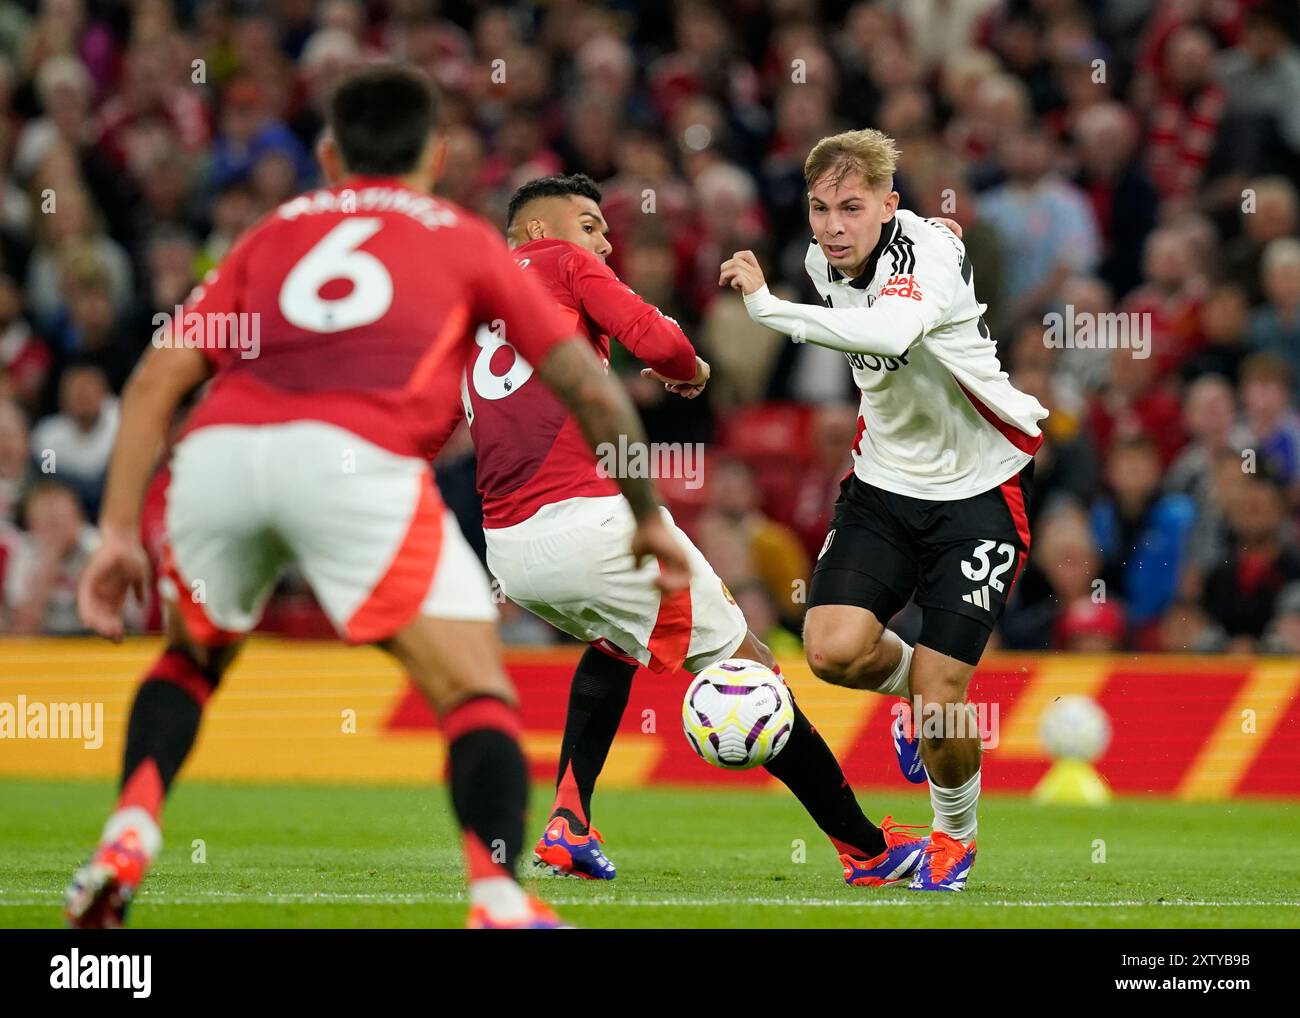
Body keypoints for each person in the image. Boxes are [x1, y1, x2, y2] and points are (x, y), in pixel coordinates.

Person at [65, 65, 692, 931]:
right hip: (349, 462)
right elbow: (590, 386)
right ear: (435, 154)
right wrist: (649, 515)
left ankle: (127, 832)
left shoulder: (271, 231)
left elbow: (156, 380)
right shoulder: (469, 239)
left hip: (218, 455)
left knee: (190, 659)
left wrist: (114, 534)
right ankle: (500, 898)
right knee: (475, 687)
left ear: (328, 155)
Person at [463, 172, 928, 888]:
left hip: (512, 550)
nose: (605, 241)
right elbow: (660, 339)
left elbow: (434, 422)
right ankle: (867, 850)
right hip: (590, 523)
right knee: (753, 672)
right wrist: (690, 366)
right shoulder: (560, 261)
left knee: (616, 645)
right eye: (591, 224)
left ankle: (568, 823)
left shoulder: (480, 304)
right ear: (537, 230)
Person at [722, 128, 1048, 891]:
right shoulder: (819, 260)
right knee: (832, 650)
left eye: (852, 208)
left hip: (978, 492)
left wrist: (769, 311)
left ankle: (953, 835)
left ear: (890, 206)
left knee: (944, 698)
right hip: (883, 485)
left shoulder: (926, 253)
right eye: (820, 208)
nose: (833, 227)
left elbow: (894, 328)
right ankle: (911, 695)